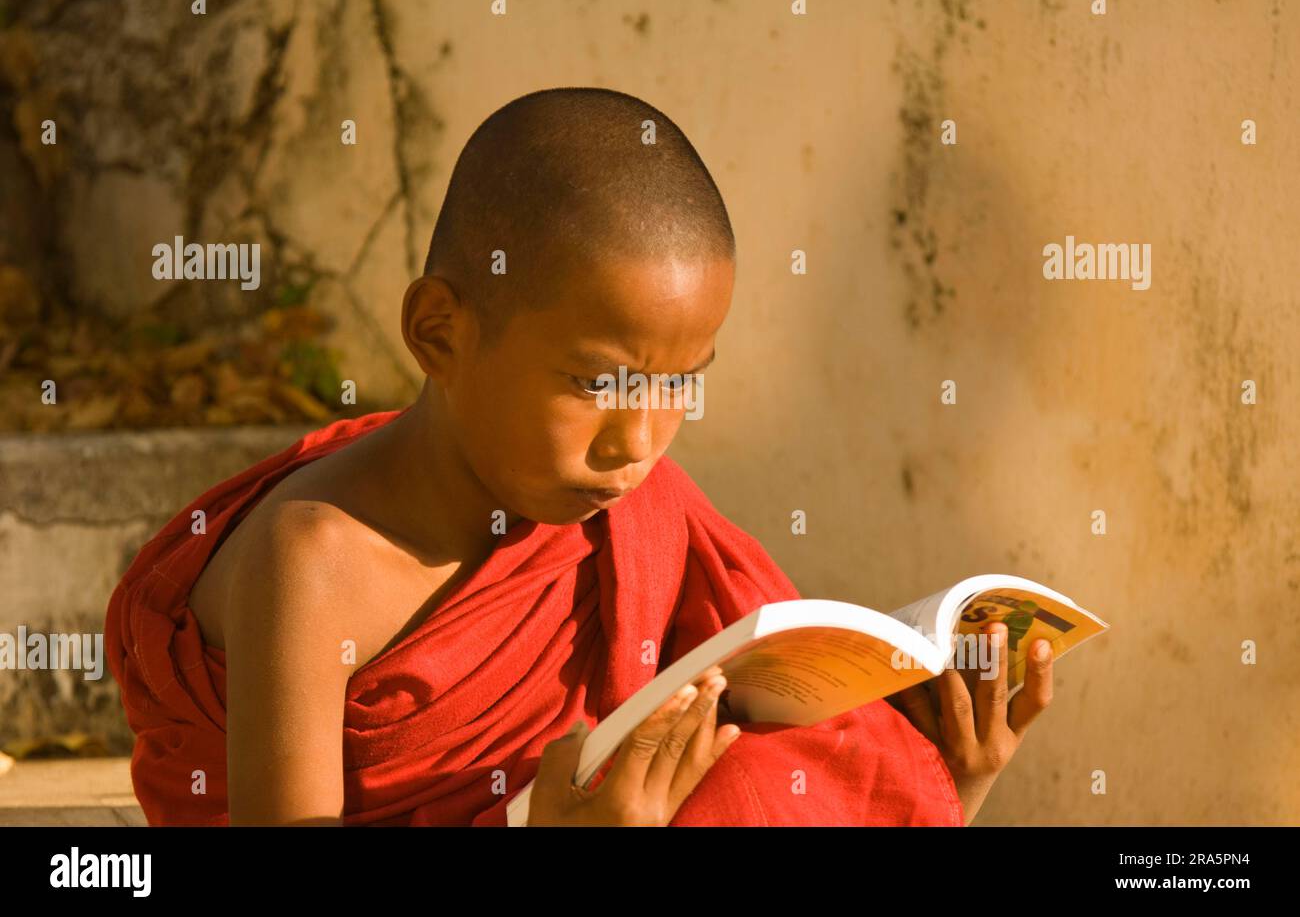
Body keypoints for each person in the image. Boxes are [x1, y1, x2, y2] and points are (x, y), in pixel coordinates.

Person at [105, 86, 1054, 826]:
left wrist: (941, 776)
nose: (636, 443)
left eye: (680, 385)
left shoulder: (641, 518)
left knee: (753, 781)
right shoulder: (317, 563)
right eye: (599, 381)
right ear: (439, 333)